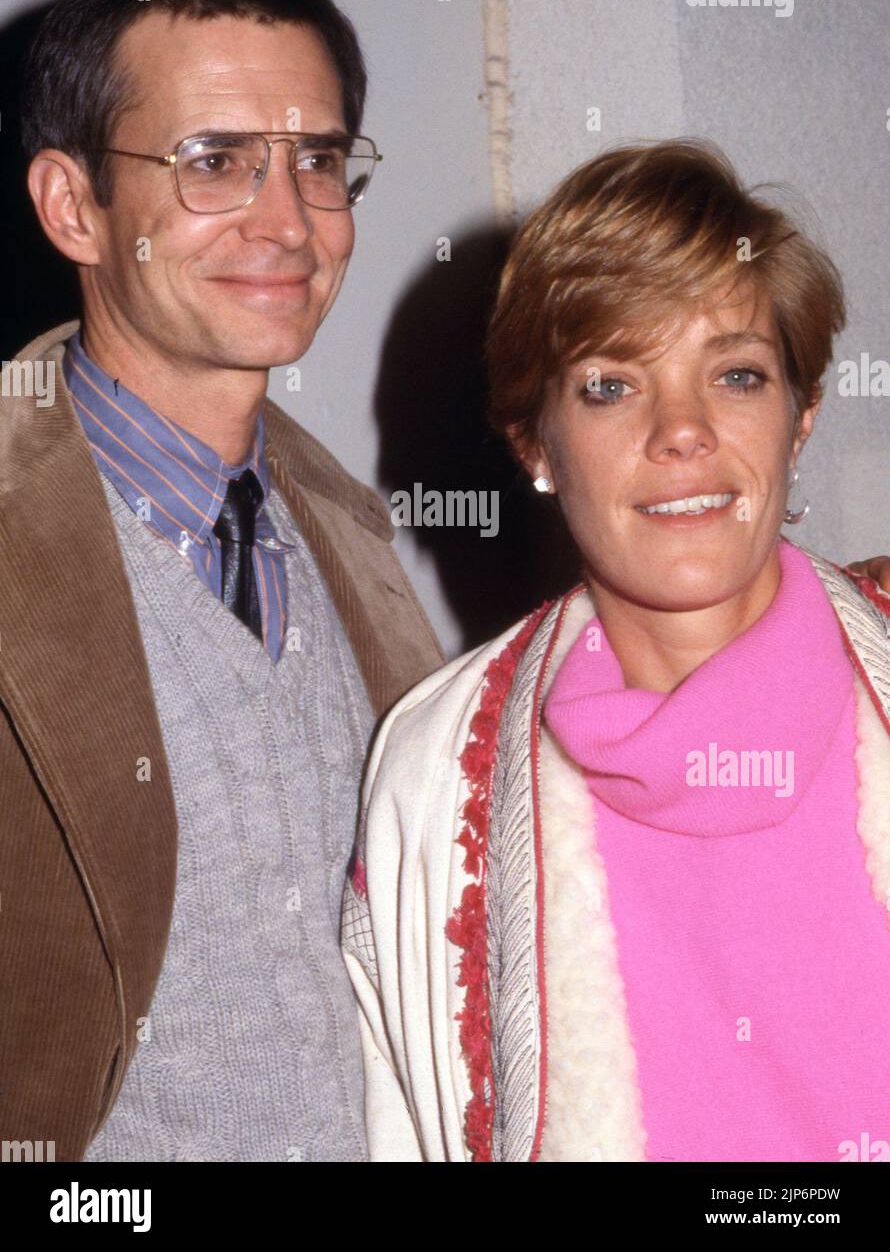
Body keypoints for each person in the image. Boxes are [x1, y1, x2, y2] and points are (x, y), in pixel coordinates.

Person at [342, 139, 890, 1162]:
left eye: (734, 374)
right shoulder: (428, 775)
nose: (680, 430)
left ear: (799, 414)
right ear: (534, 444)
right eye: (608, 385)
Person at [2, 0, 443, 1163]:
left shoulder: (346, 531)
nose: (288, 220)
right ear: (74, 206)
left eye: (317, 161)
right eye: (216, 163)